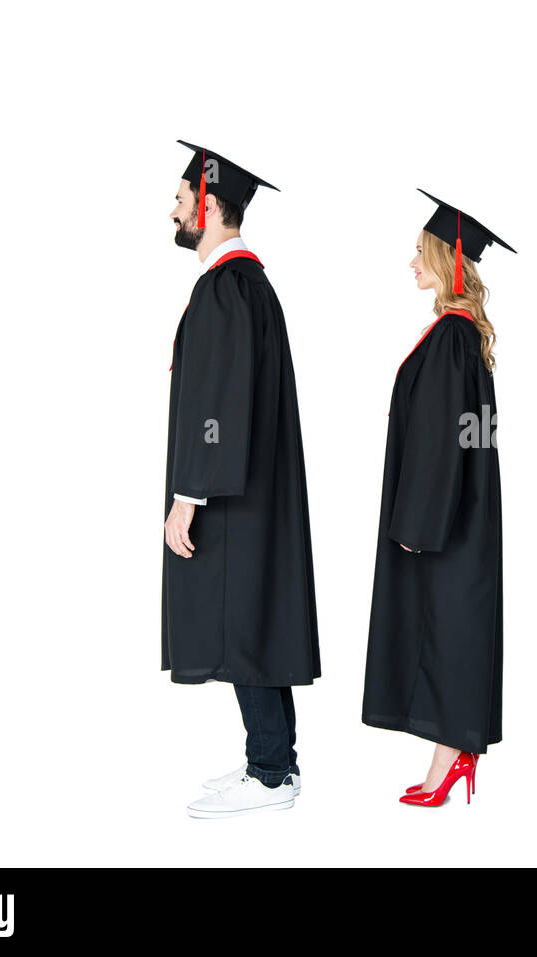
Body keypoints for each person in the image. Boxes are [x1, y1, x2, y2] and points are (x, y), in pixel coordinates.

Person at [160, 141, 320, 819]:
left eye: (180, 197)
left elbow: (215, 405)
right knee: (257, 622)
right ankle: (272, 760)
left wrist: (187, 496)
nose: (171, 209)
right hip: (254, 492)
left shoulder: (226, 288)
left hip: (231, 497)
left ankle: (270, 774)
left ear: (212, 204)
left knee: (242, 626)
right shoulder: (249, 285)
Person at [362, 190, 513, 807]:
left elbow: (442, 440)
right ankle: (452, 755)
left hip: (443, 520)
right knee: (452, 627)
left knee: (448, 628)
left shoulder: (452, 337)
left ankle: (449, 759)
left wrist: (419, 521)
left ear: (449, 261)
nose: (411, 264)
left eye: (419, 253)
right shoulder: (457, 333)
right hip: (459, 516)